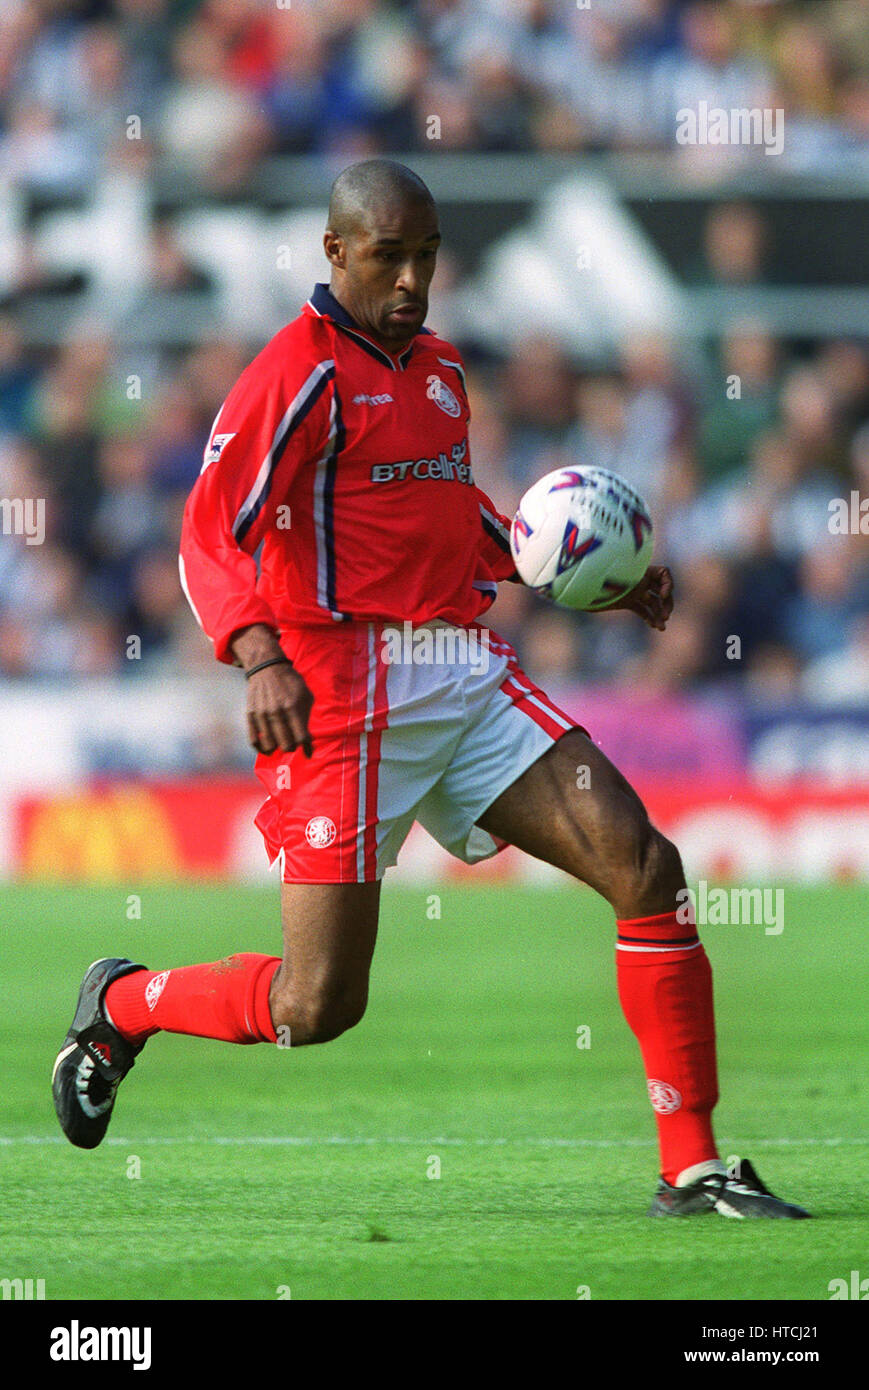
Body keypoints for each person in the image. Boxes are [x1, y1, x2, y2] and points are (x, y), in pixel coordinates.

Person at [52, 160, 808, 1219]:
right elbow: (206, 530)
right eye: (389, 256)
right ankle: (124, 1004)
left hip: (457, 670)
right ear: (336, 253)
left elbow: (452, 520)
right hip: (337, 696)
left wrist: (590, 569)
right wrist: (257, 654)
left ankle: (689, 1168)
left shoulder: (439, 367)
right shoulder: (295, 372)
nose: (411, 279)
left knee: (644, 864)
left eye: (427, 256)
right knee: (316, 1005)